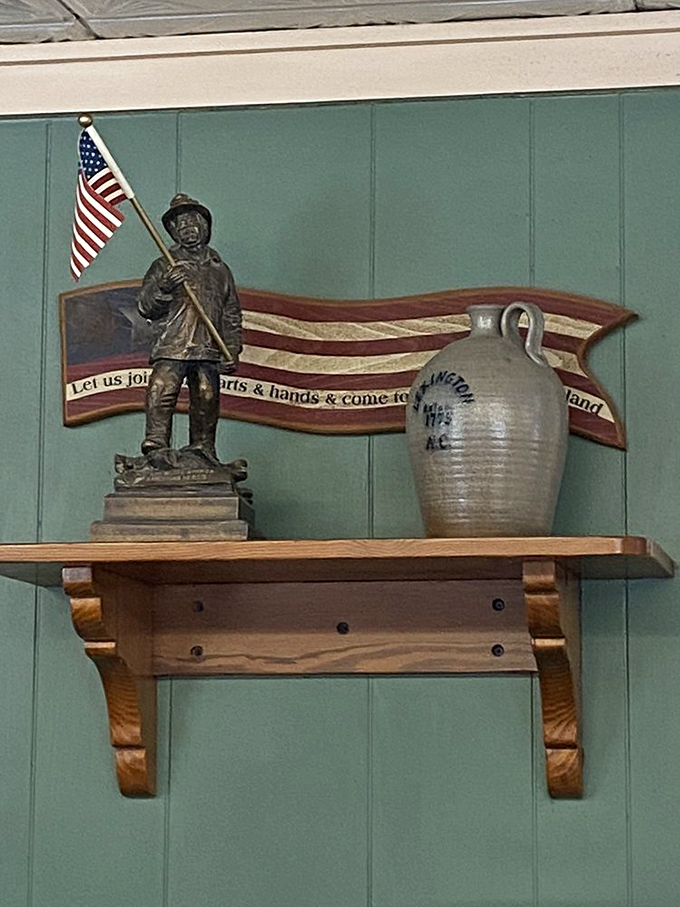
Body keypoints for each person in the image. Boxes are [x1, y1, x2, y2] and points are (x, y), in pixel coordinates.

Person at [137, 194, 242, 462]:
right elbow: (146, 306)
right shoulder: (164, 265)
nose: (188, 230)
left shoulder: (220, 270)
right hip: (174, 342)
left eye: (193, 224)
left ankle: (203, 447)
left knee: (207, 395)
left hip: (208, 344)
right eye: (181, 226)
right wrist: (165, 286)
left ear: (205, 228)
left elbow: (231, 313)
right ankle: (157, 444)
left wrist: (230, 348)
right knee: (162, 388)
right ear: (173, 232)